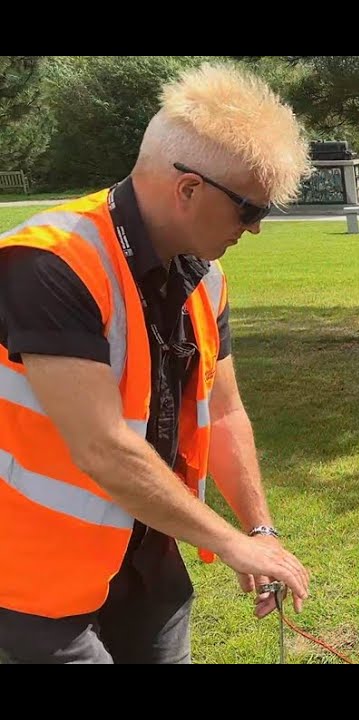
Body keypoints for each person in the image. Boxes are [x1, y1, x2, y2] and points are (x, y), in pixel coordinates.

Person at [0, 62, 314, 663]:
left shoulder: (206, 278)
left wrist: (259, 530)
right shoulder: (52, 263)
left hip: (146, 565)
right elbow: (102, 447)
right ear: (190, 189)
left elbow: (224, 414)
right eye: (251, 211)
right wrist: (228, 543)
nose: (255, 230)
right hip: (34, 580)